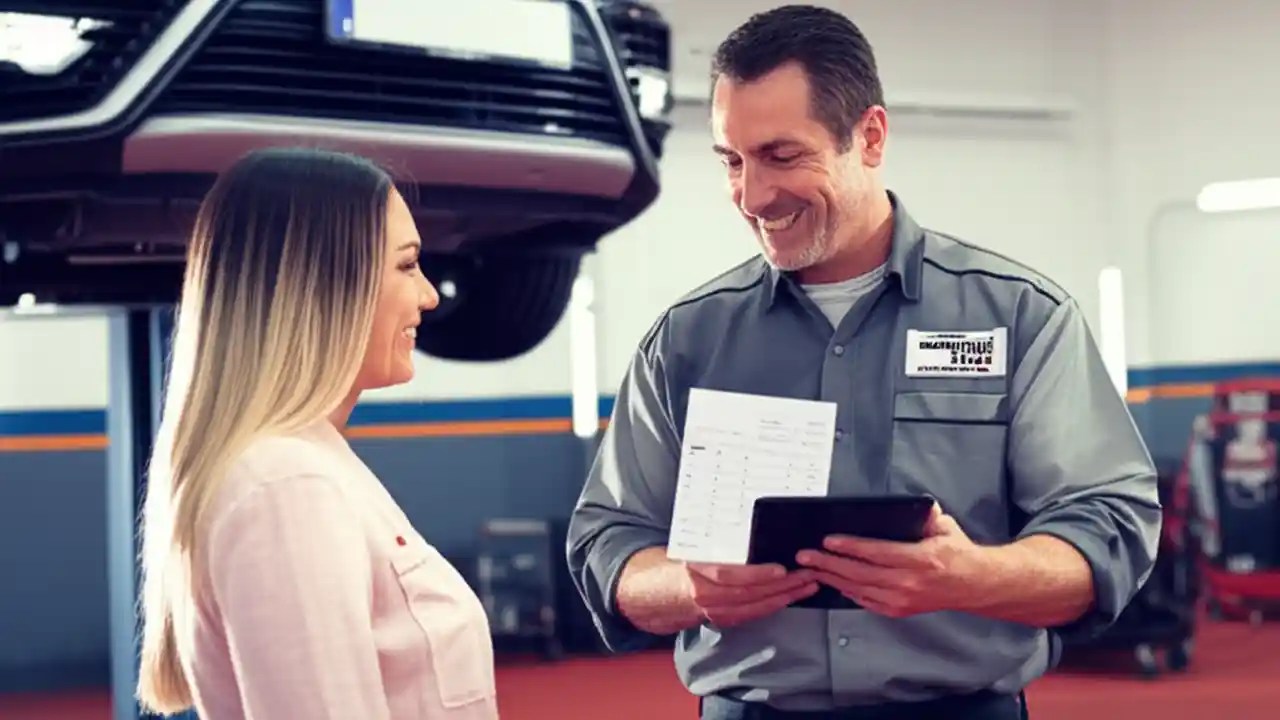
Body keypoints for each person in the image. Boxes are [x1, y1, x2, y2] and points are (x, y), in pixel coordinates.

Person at [566, 5, 1161, 720]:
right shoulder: (687, 340)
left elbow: (1109, 529)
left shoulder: (1020, 319)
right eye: (732, 160)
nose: (752, 197)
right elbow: (609, 542)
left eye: (783, 156)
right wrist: (688, 586)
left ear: (869, 136)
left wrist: (971, 577)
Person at [135, 147, 499, 719]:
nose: (429, 294)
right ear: (325, 285)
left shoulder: (308, 462)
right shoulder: (285, 484)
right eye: (407, 266)